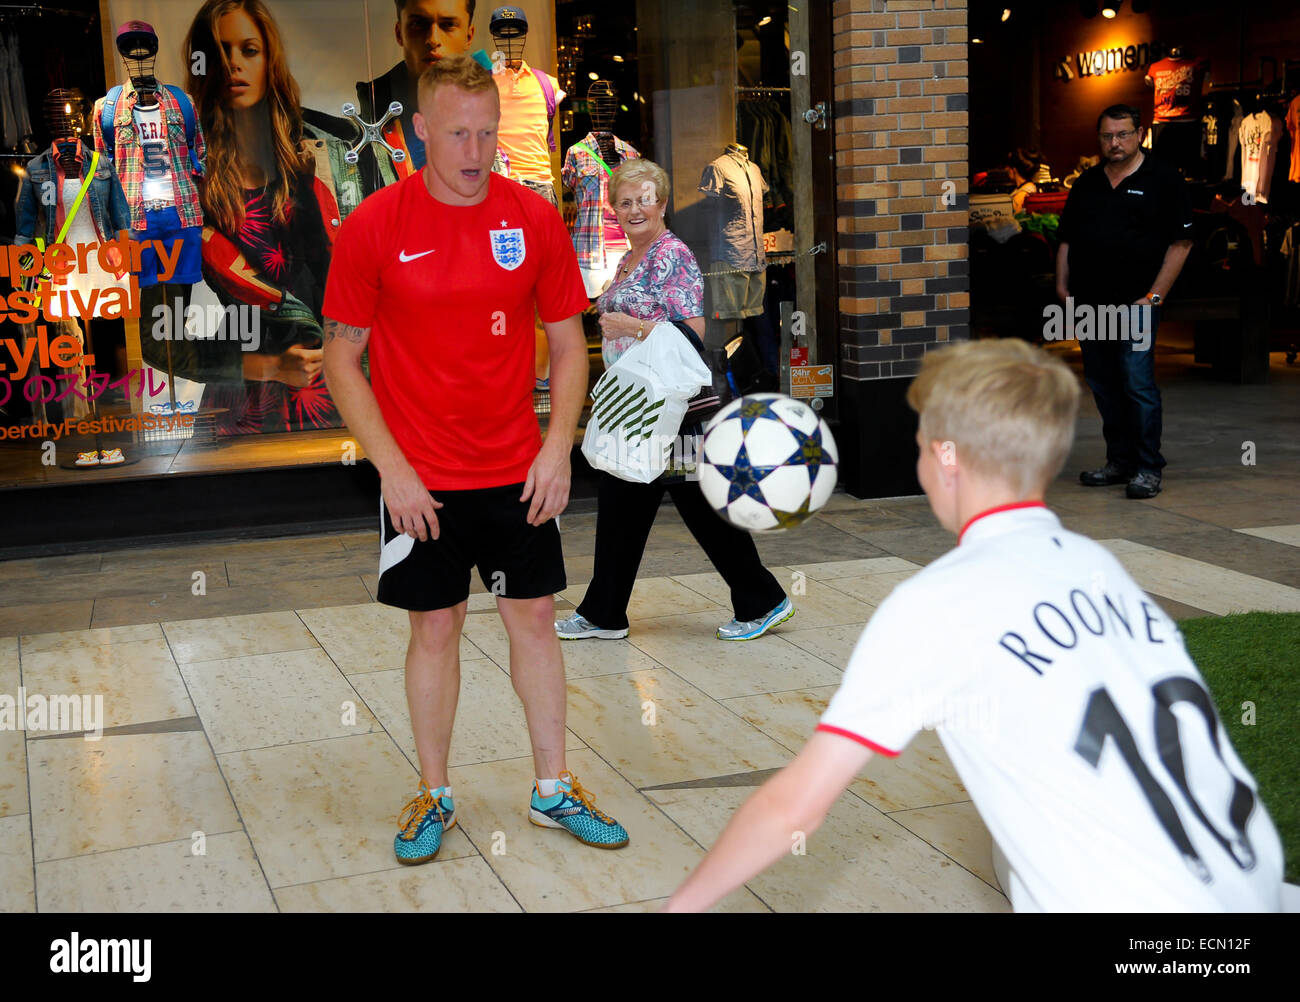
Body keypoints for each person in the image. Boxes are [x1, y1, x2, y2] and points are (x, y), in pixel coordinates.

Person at [664, 338, 1284, 913]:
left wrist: (679, 906)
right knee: (1009, 852)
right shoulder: (1102, 566)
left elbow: (794, 806)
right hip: (1249, 889)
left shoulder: (938, 603)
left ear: (947, 456)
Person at [321, 55, 629, 864]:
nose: (474, 150)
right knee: (435, 626)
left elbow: (569, 347)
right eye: (457, 133)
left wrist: (558, 446)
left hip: (515, 467)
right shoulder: (375, 225)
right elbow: (339, 359)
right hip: (417, 476)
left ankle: (554, 787)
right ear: (419, 130)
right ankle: (434, 791)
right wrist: (390, 468)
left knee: (532, 618)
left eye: (488, 133)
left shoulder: (532, 218)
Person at [554, 159, 792, 643]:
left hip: (678, 410)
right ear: (614, 210)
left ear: (661, 203)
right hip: (641, 408)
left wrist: (631, 327)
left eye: (644, 199)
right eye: (624, 202)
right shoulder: (628, 258)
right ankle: (604, 612)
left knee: (698, 505)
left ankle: (763, 599)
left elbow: (696, 331)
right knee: (624, 503)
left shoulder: (672, 255)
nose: (634, 209)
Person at [183, 0, 367, 434]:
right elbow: (162, 344)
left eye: (249, 50)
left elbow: (349, 281)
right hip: (245, 398)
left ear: (269, 60)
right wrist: (270, 367)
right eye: (219, 52)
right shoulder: (191, 179)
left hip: (331, 387)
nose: (233, 64)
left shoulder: (323, 157)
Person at [1056, 104, 1194, 500]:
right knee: (1103, 385)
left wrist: (1153, 297)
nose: (1114, 143)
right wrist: (1063, 287)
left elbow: (1181, 243)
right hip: (1090, 304)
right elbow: (1067, 238)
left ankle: (1148, 467)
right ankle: (1119, 461)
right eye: (1107, 136)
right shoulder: (1087, 183)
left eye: (1122, 135)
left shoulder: (1165, 179)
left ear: (1140, 134)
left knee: (1137, 384)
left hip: (1136, 304)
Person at [354, 0, 477, 193]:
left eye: (448, 25)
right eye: (419, 24)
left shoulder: (489, 97)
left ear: (468, 36)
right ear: (399, 33)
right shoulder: (376, 99)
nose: (433, 39)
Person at [1006, 148, 1040, 213]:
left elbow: (1014, 220)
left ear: (1014, 169)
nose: (1006, 169)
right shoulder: (1027, 187)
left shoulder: (1022, 195)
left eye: (1008, 166)